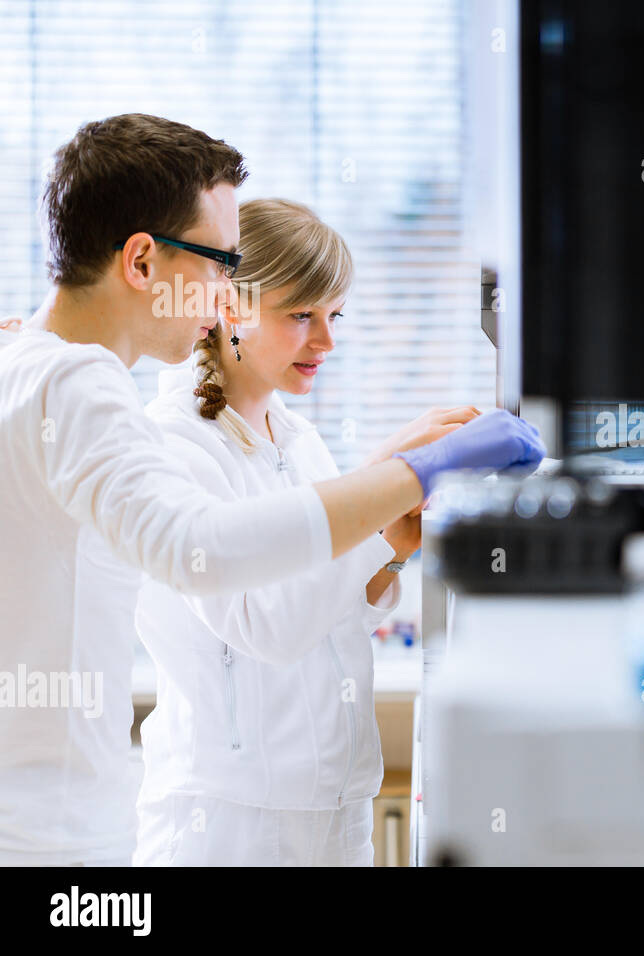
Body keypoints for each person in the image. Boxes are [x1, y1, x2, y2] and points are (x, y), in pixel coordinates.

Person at [0, 114, 544, 865]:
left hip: (65, 818)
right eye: (221, 261)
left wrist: (385, 528)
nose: (225, 291)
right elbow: (204, 551)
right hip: (65, 835)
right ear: (140, 262)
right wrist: (411, 470)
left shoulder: (29, 364)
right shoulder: (81, 382)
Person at [133, 199, 473, 865]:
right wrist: (382, 486)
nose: (327, 341)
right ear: (231, 306)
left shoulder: (296, 435)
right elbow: (271, 627)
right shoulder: (176, 444)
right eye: (302, 316)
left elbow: (334, 599)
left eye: (335, 316)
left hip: (333, 802)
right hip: (231, 819)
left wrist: (390, 552)